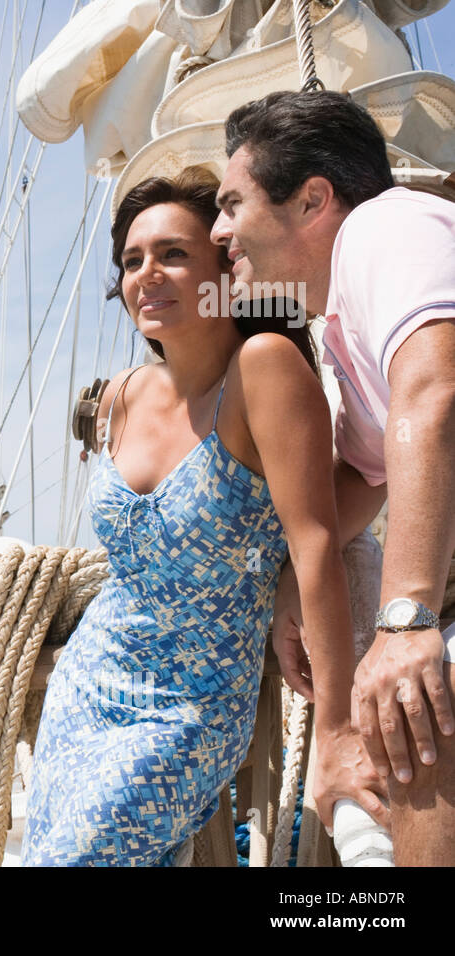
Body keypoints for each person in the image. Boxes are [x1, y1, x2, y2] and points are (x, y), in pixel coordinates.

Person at [21, 167, 370, 864]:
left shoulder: (263, 370)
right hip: (86, 685)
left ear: (227, 269)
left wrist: (333, 729)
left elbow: (315, 542)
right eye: (132, 261)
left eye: (173, 253)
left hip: (189, 711)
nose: (147, 274)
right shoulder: (119, 396)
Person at [213, 89, 455, 865]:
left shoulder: (387, 228)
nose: (219, 232)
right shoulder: (343, 321)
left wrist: (406, 623)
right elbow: (365, 475)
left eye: (232, 204)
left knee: (415, 708)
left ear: (313, 200)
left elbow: (434, 391)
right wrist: (292, 580)